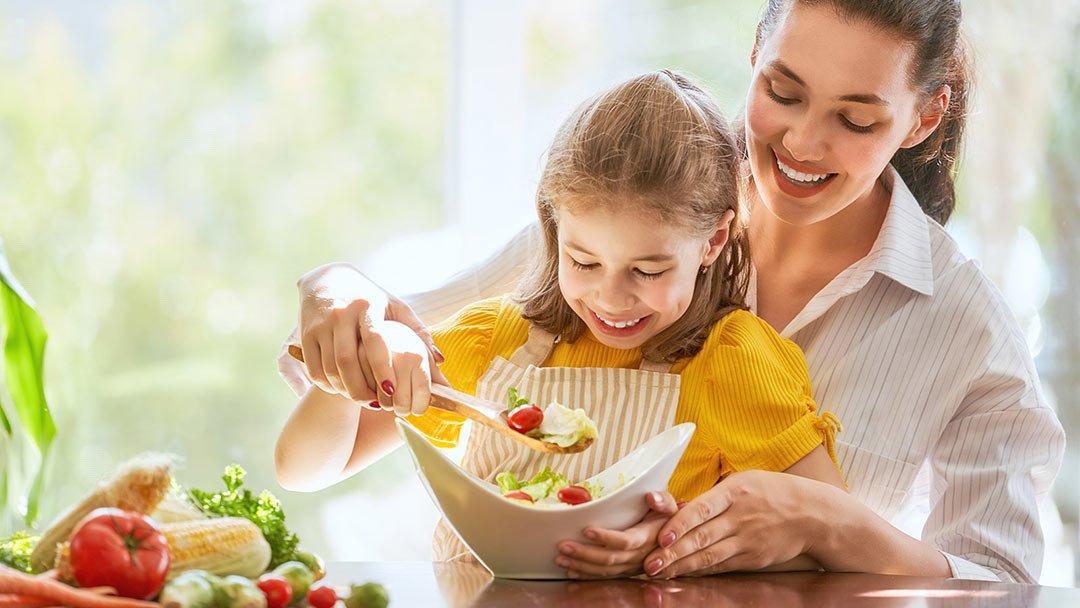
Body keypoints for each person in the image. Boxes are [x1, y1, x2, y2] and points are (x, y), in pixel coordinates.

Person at [278, 0, 1065, 583]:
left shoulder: (965, 331)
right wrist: (345, 292)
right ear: (754, 52)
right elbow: (394, 348)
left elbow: (1005, 590)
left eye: (856, 119)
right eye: (783, 92)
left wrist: (829, 524)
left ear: (924, 117)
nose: (801, 142)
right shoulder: (623, 212)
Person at [274, 70, 846, 565]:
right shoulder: (495, 339)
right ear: (553, 227)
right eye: (583, 260)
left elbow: (831, 534)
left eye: (647, 271)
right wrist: (346, 369)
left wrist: (687, 545)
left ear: (714, 240)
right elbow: (305, 470)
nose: (612, 298)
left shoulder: (733, 363)